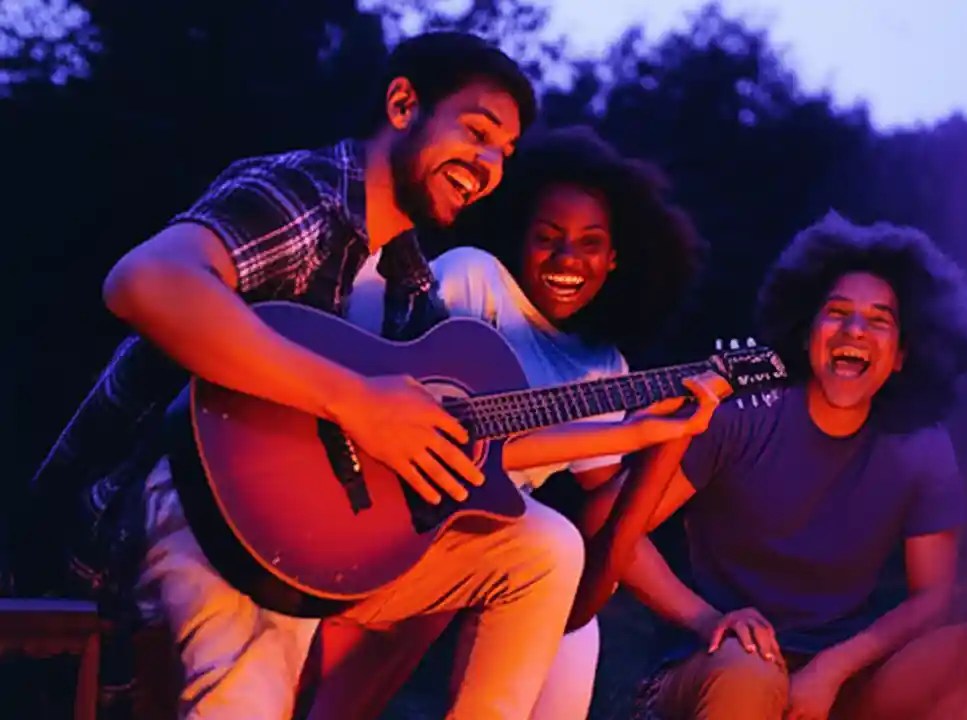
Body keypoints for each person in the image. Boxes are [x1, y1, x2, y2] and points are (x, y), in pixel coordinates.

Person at [26, 32, 713, 720]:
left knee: (544, 544)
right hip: (182, 491)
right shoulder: (303, 191)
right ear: (404, 104)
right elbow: (145, 281)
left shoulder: (410, 279)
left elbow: (460, 442)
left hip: (307, 520)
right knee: (254, 684)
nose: (488, 165)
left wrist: (649, 428)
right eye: (476, 132)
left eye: (503, 153)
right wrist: (358, 403)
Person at [304, 124, 721, 720]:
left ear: (614, 258)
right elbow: (428, 390)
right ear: (519, 237)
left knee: (567, 612)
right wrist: (631, 432)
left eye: (589, 243)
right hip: (378, 498)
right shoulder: (476, 279)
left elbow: (608, 514)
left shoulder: (603, 365)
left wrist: (670, 439)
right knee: (323, 690)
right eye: (548, 237)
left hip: (481, 536)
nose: (567, 258)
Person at [573, 213, 967, 720]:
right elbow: (608, 525)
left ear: (901, 355)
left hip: (837, 669)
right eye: (837, 312)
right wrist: (704, 619)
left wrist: (833, 668)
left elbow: (931, 596)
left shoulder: (920, 446)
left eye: (879, 320)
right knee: (749, 675)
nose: (855, 329)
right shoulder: (740, 415)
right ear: (806, 332)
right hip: (718, 659)